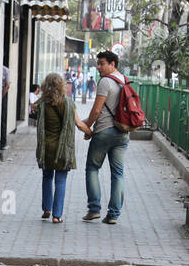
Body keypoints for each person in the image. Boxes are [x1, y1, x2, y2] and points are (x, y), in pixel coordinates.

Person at [79, 50, 131, 225]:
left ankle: (94, 209)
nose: (99, 67)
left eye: (102, 63)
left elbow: (96, 110)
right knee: (118, 174)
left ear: (112, 64)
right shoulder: (124, 80)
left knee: (92, 168)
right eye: (98, 63)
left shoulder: (105, 82)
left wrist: (87, 127)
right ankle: (113, 215)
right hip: (122, 133)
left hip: (104, 132)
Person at [36, 72, 78, 224]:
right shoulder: (67, 103)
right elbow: (77, 123)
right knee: (60, 181)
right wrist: (90, 132)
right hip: (62, 149)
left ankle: (47, 208)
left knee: (47, 177)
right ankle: (57, 215)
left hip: (46, 149)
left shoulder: (42, 104)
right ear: (61, 85)